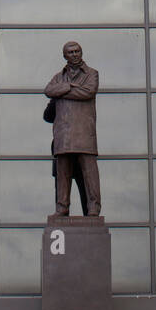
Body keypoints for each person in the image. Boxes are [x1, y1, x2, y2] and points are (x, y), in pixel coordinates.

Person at [44, 40, 101, 217]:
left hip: (84, 133)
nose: (75, 54)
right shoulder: (59, 77)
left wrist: (62, 92)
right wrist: (69, 86)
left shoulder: (92, 74)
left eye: (77, 51)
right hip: (63, 135)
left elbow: (88, 92)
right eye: (71, 52)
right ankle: (62, 207)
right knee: (63, 174)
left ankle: (94, 207)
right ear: (65, 56)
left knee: (90, 174)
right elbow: (48, 90)